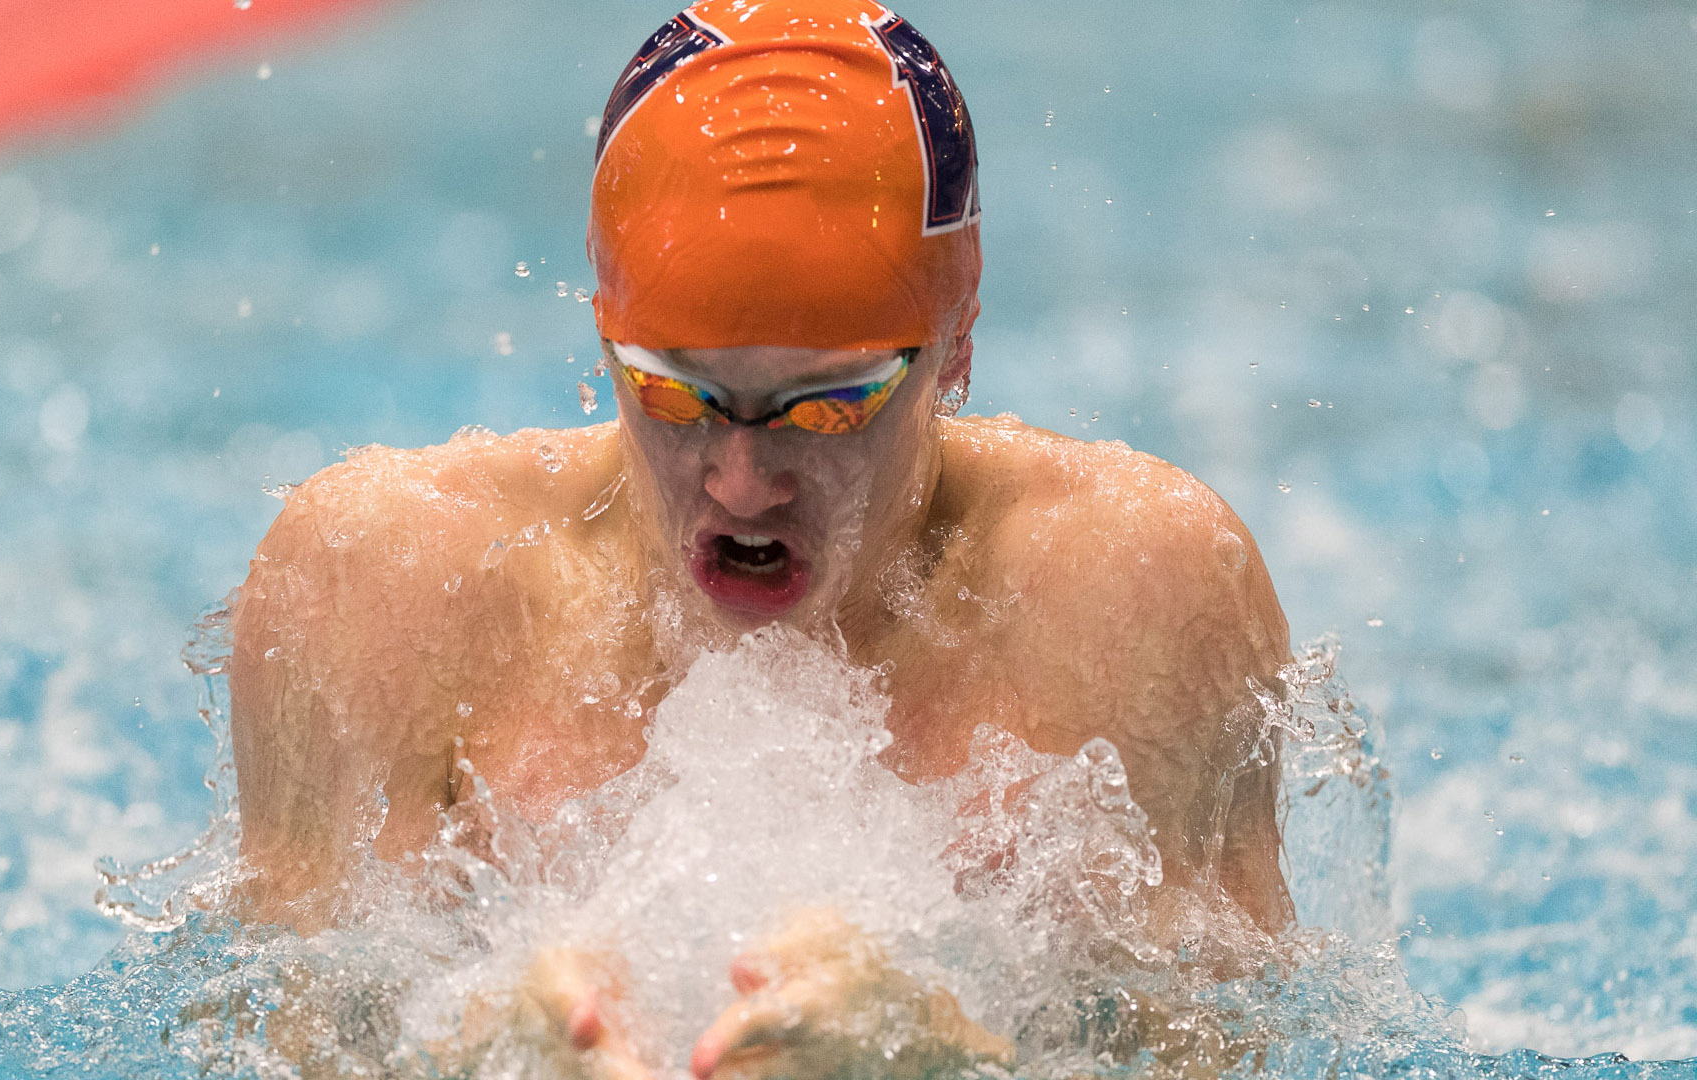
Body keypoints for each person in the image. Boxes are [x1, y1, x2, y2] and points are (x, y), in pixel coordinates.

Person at [228, 1, 1294, 1076]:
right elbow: (271, 1040)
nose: (741, 484)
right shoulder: (380, 585)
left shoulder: (1135, 596)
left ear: (955, 352)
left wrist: (955, 1060)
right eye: (673, 391)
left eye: (827, 407)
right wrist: (458, 1060)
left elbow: (1246, 1050)